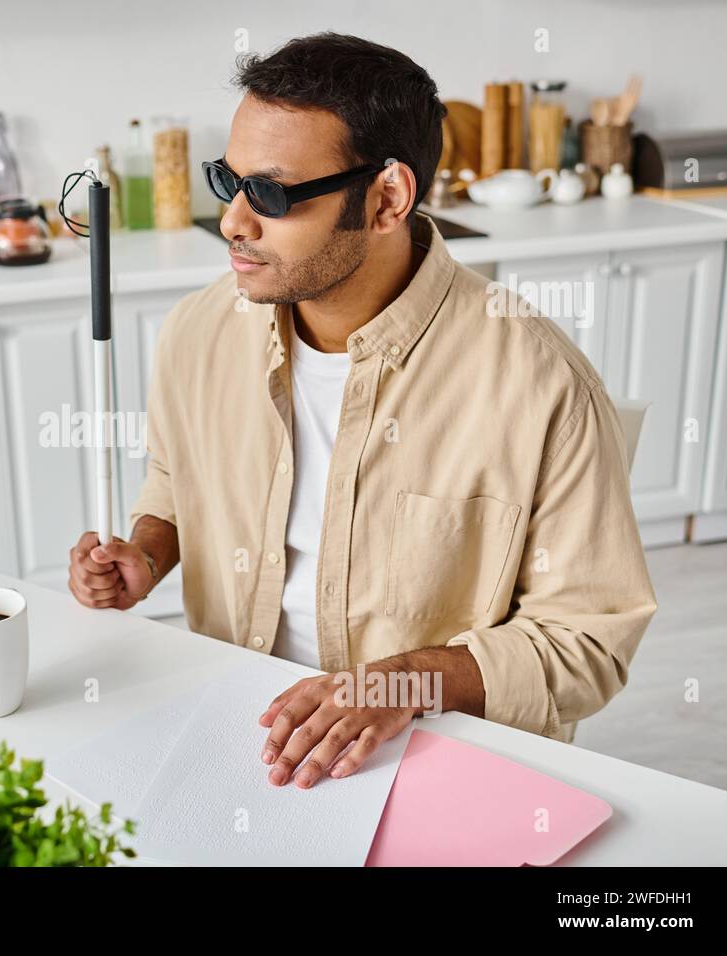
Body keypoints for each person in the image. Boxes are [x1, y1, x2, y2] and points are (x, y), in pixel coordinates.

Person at [66, 33, 656, 790]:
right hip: (236, 726)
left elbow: (588, 644)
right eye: (229, 181)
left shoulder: (541, 384)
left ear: (386, 199)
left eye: (272, 195)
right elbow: (176, 482)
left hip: (438, 748)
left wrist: (396, 686)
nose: (234, 223)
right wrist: (147, 553)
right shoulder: (199, 331)